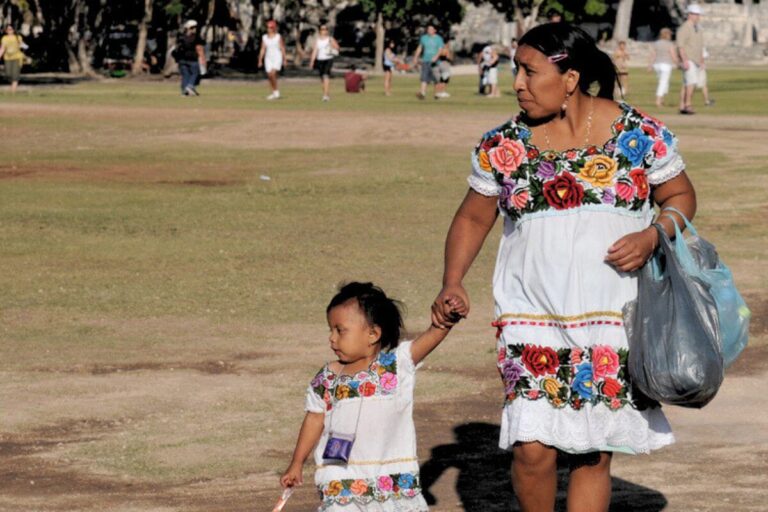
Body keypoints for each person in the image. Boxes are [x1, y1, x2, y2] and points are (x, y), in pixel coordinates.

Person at [431, 23, 696, 512]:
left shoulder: (637, 133)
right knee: (532, 450)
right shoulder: (504, 145)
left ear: (570, 77)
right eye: (516, 71)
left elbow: (679, 196)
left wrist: (652, 234)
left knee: (592, 454)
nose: (518, 84)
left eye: (530, 72)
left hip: (612, 318)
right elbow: (473, 215)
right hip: (530, 316)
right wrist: (453, 281)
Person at [280, 282, 466, 511]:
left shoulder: (396, 366)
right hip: (342, 485)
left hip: (393, 486)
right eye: (330, 330)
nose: (332, 338)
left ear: (373, 334)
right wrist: (296, 463)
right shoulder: (327, 377)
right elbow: (314, 418)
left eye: (340, 330)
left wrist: (448, 318)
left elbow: (431, 336)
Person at [676, 4, 705, 114]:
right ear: (689, 15)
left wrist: (702, 60)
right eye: (695, 14)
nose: (697, 17)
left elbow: (700, 46)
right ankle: (688, 105)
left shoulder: (698, 28)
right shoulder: (685, 28)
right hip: (689, 59)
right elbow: (680, 45)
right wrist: (684, 60)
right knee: (690, 83)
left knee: (687, 83)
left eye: (698, 14)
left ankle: (682, 106)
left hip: (696, 59)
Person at [174, 20, 206, 96]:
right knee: (195, 73)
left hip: (182, 59)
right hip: (192, 59)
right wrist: (203, 59)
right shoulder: (196, 37)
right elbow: (199, 49)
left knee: (185, 75)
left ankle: (184, 92)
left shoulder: (181, 36)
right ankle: (190, 86)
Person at [309, 24, 340, 102]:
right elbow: (315, 51)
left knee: (326, 76)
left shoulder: (330, 39)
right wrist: (312, 61)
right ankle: (325, 93)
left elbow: (337, 47)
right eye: (322, 29)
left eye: (325, 29)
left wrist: (332, 48)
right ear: (320, 31)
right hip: (320, 59)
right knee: (322, 78)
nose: (324, 31)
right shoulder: (317, 40)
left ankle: (326, 95)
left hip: (328, 59)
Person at [648, 28, 678, 107]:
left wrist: (650, 65)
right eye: (669, 34)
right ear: (667, 35)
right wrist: (678, 63)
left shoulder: (656, 43)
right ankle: (658, 100)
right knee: (663, 82)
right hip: (666, 65)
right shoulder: (670, 44)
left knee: (664, 82)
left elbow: (653, 55)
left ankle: (662, 100)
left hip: (657, 65)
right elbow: (673, 55)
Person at [413, 25, 444, 100]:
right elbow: (420, 48)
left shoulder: (439, 39)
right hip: (425, 60)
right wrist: (415, 57)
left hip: (435, 62)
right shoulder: (424, 38)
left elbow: (440, 50)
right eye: (428, 29)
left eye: (431, 29)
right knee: (424, 77)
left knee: (436, 78)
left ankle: (436, 94)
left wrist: (436, 57)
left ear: (435, 30)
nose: (429, 30)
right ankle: (423, 93)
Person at [257, 20, 286, 100]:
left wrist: (284, 59)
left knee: (273, 74)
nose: (269, 29)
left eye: (270, 27)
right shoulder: (264, 37)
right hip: (268, 58)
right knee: (269, 75)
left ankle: (276, 92)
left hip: (277, 57)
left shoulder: (278, 37)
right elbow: (263, 49)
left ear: (274, 28)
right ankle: (274, 92)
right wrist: (260, 59)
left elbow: (282, 48)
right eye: (268, 27)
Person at [0, 25, 26, 94]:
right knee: (8, 74)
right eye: (8, 29)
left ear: (13, 30)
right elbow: (2, 48)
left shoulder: (18, 37)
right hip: (7, 58)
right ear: (6, 31)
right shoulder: (4, 38)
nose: (10, 31)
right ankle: (12, 87)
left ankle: (13, 92)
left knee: (15, 75)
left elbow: (23, 45)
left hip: (17, 58)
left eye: (11, 29)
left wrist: (26, 47)